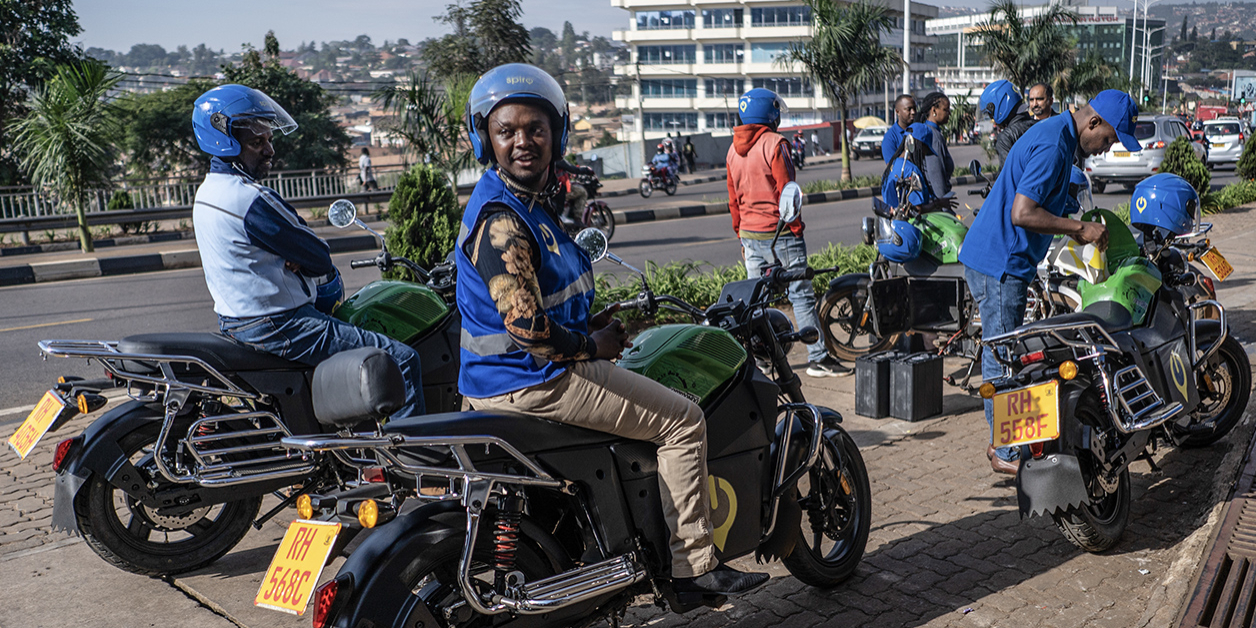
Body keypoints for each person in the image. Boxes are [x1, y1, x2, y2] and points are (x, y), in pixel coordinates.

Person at [455, 63, 769, 596]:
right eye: (506, 131)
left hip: (504, 379)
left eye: (535, 128)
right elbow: (526, 327)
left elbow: (538, 302)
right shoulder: (502, 220)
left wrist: (586, 323)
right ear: (486, 139)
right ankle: (694, 567)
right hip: (532, 381)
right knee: (683, 422)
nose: (523, 141)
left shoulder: (525, 206)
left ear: (556, 134)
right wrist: (590, 345)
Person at [190, 84, 425, 417]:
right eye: (257, 143)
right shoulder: (250, 200)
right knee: (400, 360)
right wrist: (299, 258)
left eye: (269, 139)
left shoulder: (207, 193)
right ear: (224, 141)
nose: (269, 150)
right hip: (281, 324)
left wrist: (294, 255)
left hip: (237, 320)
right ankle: (415, 450)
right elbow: (317, 257)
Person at [959, 89, 1140, 474]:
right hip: (999, 262)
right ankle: (1007, 453)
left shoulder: (1059, 135)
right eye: (1109, 139)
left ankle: (1002, 443)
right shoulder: (1055, 146)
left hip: (1001, 259)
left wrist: (1075, 221)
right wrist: (1078, 228)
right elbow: (1023, 213)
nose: (1106, 149)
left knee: (1004, 352)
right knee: (1003, 357)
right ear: (1093, 122)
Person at [727, 88, 852, 378]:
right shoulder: (776, 144)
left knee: (755, 302)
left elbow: (733, 200)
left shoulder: (732, 151)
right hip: (780, 234)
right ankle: (818, 358)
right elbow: (788, 190)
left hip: (749, 234)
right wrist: (795, 229)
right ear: (770, 114)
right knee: (801, 295)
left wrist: (740, 236)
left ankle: (761, 361)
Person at [980, 80, 1037, 165]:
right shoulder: (1040, 125)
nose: (993, 120)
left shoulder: (1005, 138)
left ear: (1000, 106)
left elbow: (1008, 172)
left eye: (991, 114)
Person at [915, 92, 955, 200]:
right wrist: (944, 204)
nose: (949, 113)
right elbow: (936, 176)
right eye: (946, 110)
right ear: (934, 111)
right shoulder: (933, 136)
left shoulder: (928, 131)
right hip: (935, 202)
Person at [883, 94, 918, 164]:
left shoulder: (919, 130)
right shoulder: (890, 137)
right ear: (897, 112)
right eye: (909, 109)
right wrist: (907, 153)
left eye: (914, 108)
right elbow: (891, 167)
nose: (913, 112)